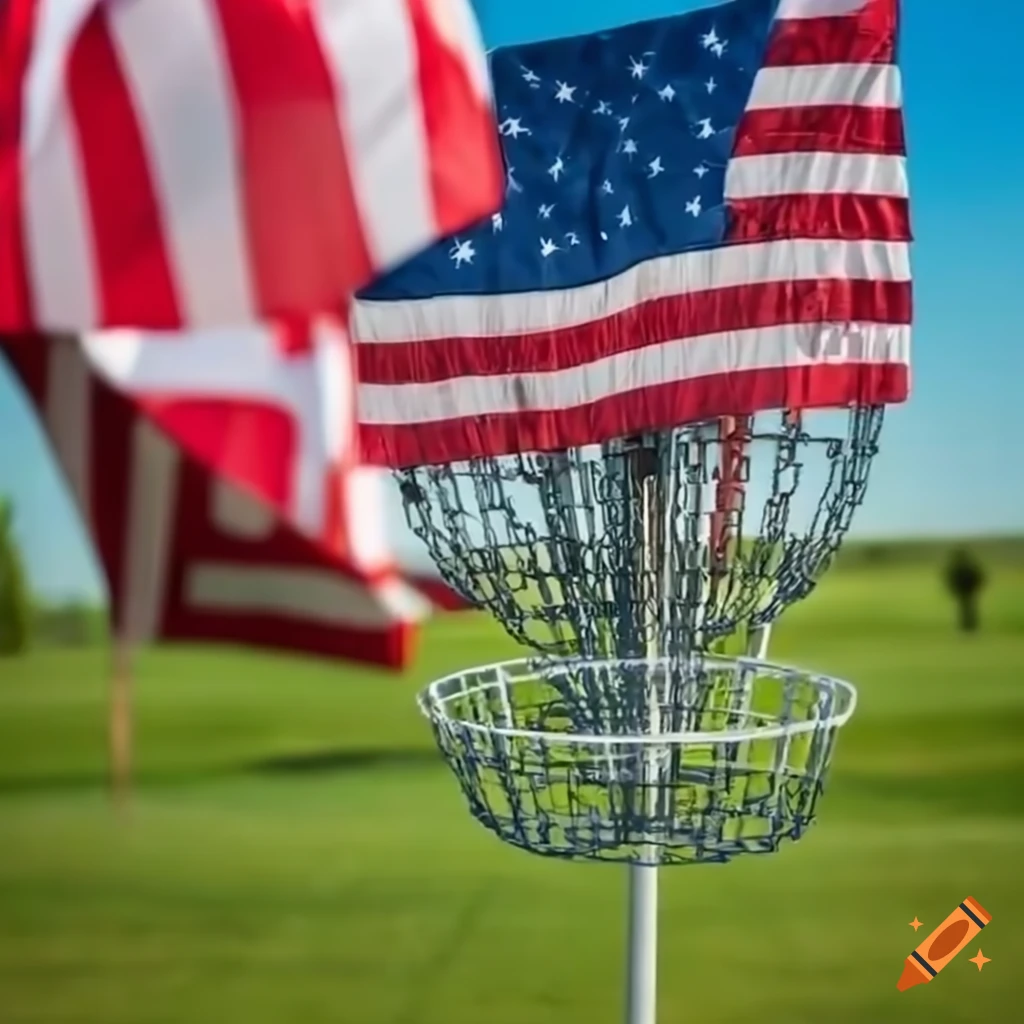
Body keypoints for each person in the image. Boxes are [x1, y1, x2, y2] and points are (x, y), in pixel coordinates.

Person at [944, 548, 986, 633]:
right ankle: (970, 626)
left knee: (964, 608)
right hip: (969, 590)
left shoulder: (956, 566)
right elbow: (979, 577)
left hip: (964, 590)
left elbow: (951, 578)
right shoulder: (971, 565)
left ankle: (966, 626)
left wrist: (954, 588)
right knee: (969, 608)